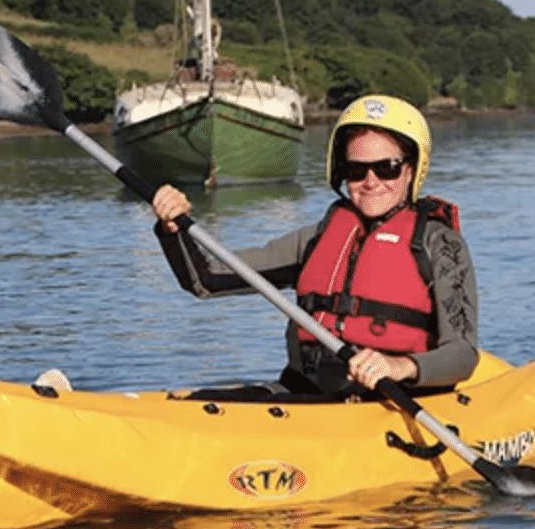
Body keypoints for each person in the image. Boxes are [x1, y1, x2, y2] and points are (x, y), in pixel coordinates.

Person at [151, 94, 479, 400]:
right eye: (356, 170)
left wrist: (400, 366)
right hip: (304, 394)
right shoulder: (314, 241)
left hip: (392, 400)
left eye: (386, 168)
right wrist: (174, 228)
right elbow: (206, 279)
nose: (371, 181)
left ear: (410, 169)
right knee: (196, 404)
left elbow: (463, 355)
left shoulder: (440, 246)